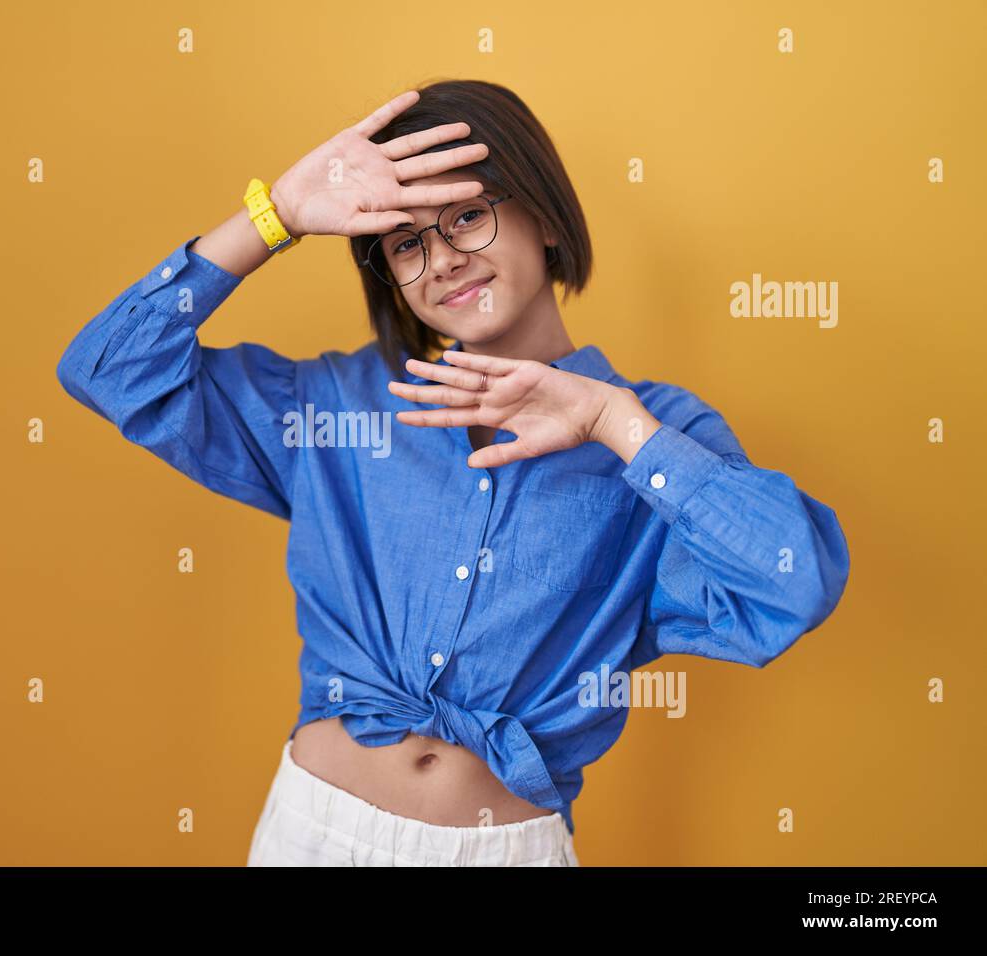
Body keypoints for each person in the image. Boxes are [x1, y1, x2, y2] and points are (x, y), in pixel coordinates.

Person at [55, 80, 851, 867]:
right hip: (311, 833)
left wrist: (616, 423)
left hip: (504, 849)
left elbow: (794, 581)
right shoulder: (334, 406)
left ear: (542, 214)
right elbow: (108, 367)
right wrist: (280, 216)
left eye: (468, 216)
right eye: (407, 243)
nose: (441, 261)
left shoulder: (655, 435)